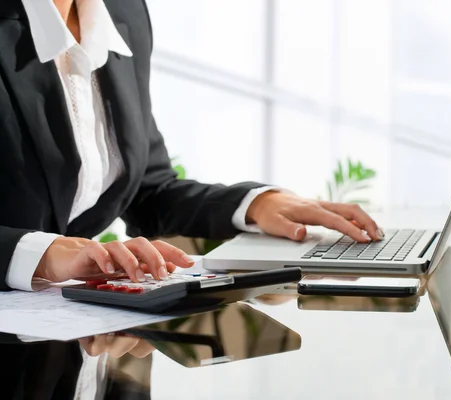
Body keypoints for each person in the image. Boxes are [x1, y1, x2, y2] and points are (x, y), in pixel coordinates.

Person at [0, 0, 383, 291]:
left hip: (77, 343)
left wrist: (253, 205)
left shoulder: (123, 12)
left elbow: (149, 190)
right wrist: (43, 257)